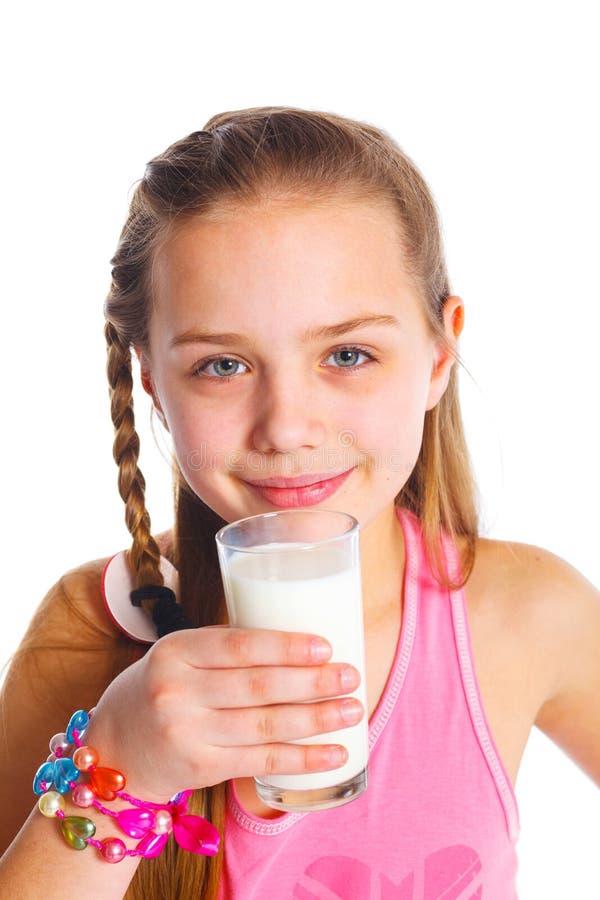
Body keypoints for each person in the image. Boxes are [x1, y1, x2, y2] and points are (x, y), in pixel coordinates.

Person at [0, 106, 598, 900]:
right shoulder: (87, 633)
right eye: (221, 366)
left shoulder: (526, 613)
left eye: (348, 354)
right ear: (152, 380)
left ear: (437, 355)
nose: (286, 427)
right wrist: (118, 767)